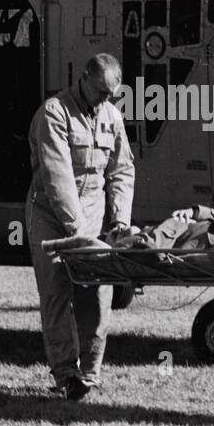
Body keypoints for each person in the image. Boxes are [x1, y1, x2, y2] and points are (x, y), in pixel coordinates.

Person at [26, 53, 135, 399]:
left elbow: (121, 171)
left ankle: (90, 372)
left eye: (111, 94)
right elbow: (58, 178)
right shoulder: (54, 113)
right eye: (101, 91)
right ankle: (65, 374)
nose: (105, 99)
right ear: (84, 80)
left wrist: (119, 221)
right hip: (50, 212)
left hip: (92, 210)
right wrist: (77, 232)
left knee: (96, 292)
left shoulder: (112, 117)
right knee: (57, 291)